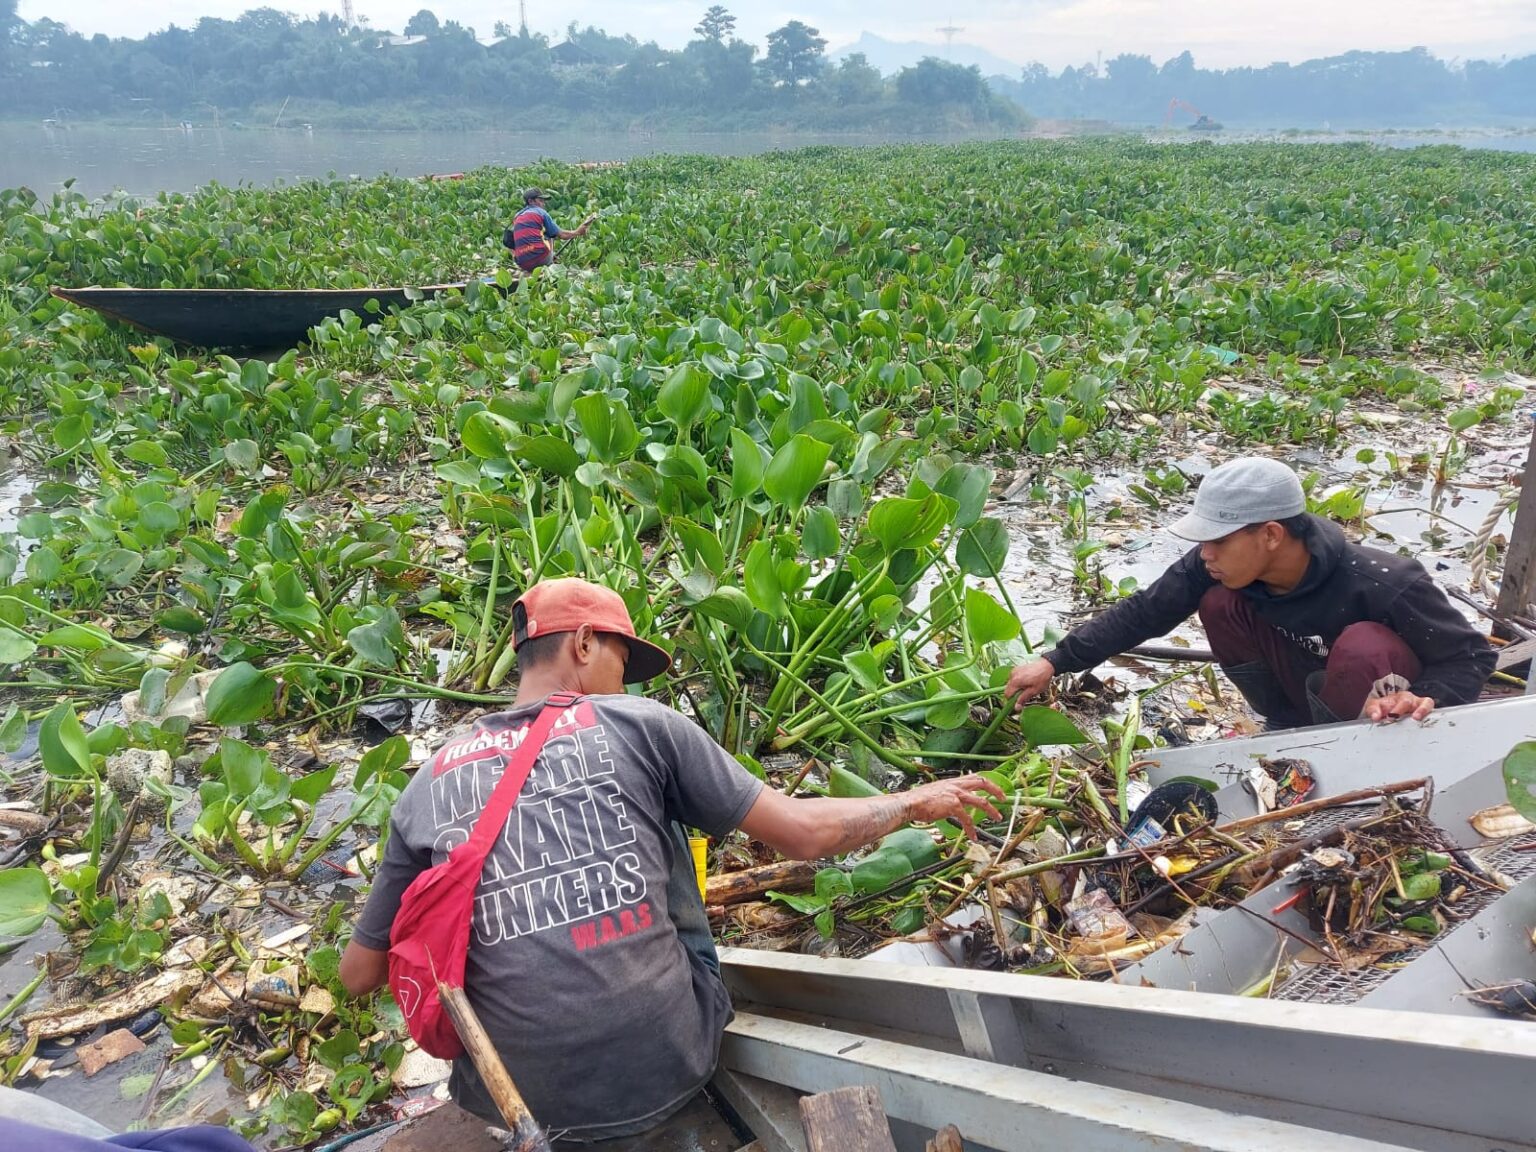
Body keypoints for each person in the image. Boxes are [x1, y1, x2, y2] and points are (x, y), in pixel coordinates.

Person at [339, 577, 1003, 1143]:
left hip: (512, 1095)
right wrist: (913, 801)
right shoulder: (639, 724)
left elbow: (358, 974)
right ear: (583, 644)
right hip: (661, 1065)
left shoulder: (426, 783)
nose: (622, 683)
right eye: (621, 661)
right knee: (668, 806)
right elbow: (803, 835)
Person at [1004, 456, 1495, 730]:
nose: (1205, 553)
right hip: (1304, 690)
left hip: (1375, 710)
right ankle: (1283, 724)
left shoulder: (1384, 580)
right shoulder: (1214, 565)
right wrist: (1055, 661)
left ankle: (1342, 739)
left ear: (1271, 535)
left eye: (1217, 540)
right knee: (1221, 602)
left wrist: (1426, 697)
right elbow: (1145, 612)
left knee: (1364, 643)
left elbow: (1471, 657)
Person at [503, 187, 589, 273]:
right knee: (550, 233)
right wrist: (578, 232)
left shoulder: (517, 216)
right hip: (540, 259)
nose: (543, 204)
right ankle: (550, 261)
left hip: (522, 263)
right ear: (530, 201)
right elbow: (562, 235)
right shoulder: (541, 212)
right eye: (540, 200)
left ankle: (546, 258)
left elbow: (508, 242)